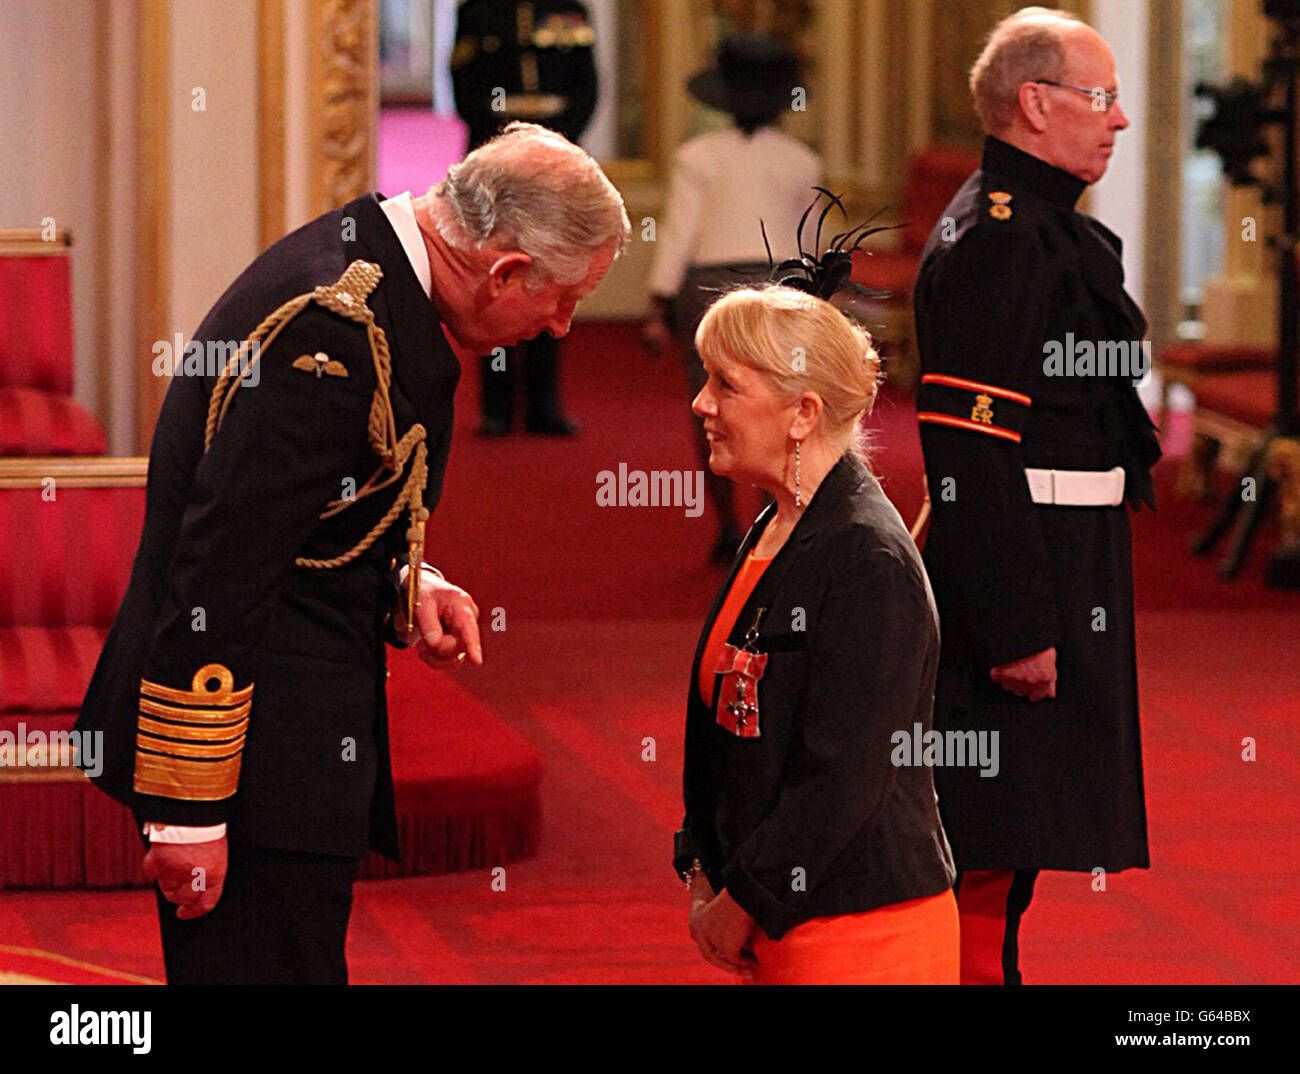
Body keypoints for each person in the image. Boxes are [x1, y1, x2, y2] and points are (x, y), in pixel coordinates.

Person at [74, 121, 629, 984]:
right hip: (251, 770)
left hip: (288, 755)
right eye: (562, 299)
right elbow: (219, 570)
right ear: (506, 269)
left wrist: (411, 579)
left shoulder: (373, 270)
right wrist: (190, 813)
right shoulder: (330, 330)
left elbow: (318, 514)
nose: (561, 327)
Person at [912, 7, 1162, 985]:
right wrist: (1015, 626)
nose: (1118, 121)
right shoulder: (1000, 239)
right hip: (1020, 559)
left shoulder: (1043, 224)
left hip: (1068, 546)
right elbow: (968, 453)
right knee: (987, 830)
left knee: (1020, 832)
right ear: (1033, 102)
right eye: (1100, 99)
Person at [674, 282, 958, 985]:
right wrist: (704, 867)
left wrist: (742, 903)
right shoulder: (775, 524)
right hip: (785, 917)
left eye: (726, 386)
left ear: (803, 414)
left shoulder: (868, 561)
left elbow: (843, 780)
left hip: (860, 933)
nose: (700, 404)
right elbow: (725, 726)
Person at [643, 31, 821, 563]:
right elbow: (810, 242)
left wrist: (657, 307)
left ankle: (727, 526)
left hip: (708, 290)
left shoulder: (696, 156)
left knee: (714, 405)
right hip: (782, 289)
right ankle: (778, 513)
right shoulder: (802, 161)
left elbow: (679, 233)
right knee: (784, 407)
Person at [451, 0, 599, 437]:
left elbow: (587, 87)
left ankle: (543, 403)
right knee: (494, 283)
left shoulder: (570, 10)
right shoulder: (478, 12)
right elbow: (465, 89)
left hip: (556, 157)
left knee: (551, 278)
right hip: (496, 161)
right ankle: (496, 407)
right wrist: (506, 146)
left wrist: (557, 143)